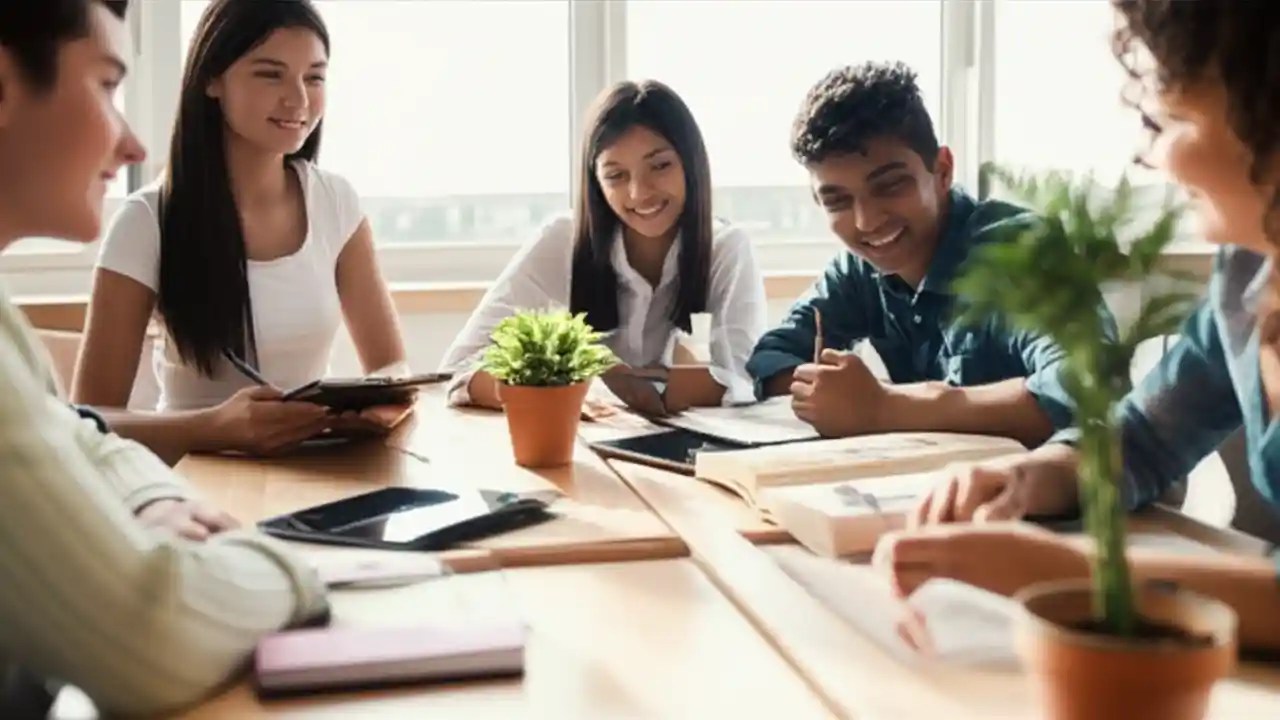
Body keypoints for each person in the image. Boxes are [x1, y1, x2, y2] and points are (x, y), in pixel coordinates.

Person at [876, 0, 1280, 652]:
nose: (1151, 157)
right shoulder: (1245, 274)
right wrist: (1031, 475)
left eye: (1171, 121)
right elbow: (1144, 437)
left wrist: (1082, 578)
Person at [0, 1, 329, 715]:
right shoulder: (151, 217)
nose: (132, 143)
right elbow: (151, 634)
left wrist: (156, 502)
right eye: (106, 85)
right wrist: (296, 566)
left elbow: (77, 434)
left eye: (314, 76)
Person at [72, 0, 407, 463]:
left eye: (314, 77)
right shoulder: (146, 221)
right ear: (212, 80)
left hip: (321, 468)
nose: (298, 99)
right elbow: (87, 423)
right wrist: (213, 428)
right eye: (270, 75)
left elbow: (391, 367)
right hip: (196, 478)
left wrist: (375, 411)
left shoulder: (336, 202)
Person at [746, 62, 1113, 447]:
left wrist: (886, 407)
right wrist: (830, 395)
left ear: (942, 171)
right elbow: (773, 356)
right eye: (837, 201)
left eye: (890, 185)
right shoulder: (858, 270)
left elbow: (1089, 391)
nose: (866, 221)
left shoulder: (1021, 252)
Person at [440, 79, 767, 414]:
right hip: (582, 439)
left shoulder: (726, 249)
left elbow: (744, 383)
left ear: (691, 163)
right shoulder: (563, 241)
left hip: (692, 442)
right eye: (616, 176)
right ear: (595, 181)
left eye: (660, 166)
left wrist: (663, 383)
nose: (639, 193)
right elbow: (457, 370)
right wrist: (582, 375)